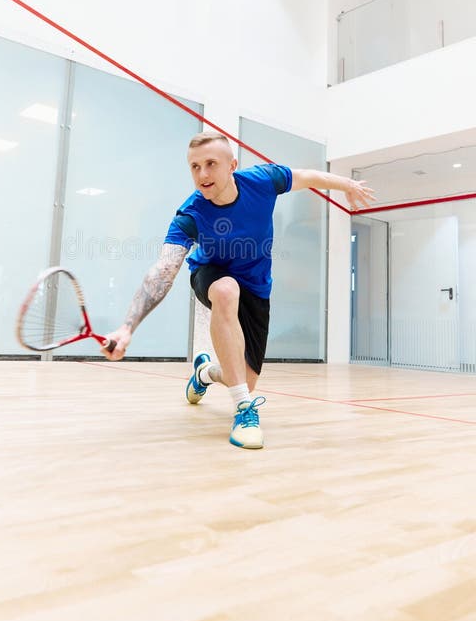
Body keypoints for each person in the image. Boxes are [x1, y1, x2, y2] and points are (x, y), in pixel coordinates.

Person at [103, 130, 375, 449]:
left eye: (210, 164)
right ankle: (244, 411)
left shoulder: (263, 181)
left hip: (257, 287)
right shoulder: (190, 216)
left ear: (232, 165)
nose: (202, 174)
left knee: (244, 379)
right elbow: (163, 271)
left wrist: (348, 184)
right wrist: (127, 326)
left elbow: (306, 176)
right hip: (211, 276)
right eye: (194, 166)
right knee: (226, 291)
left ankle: (204, 373)